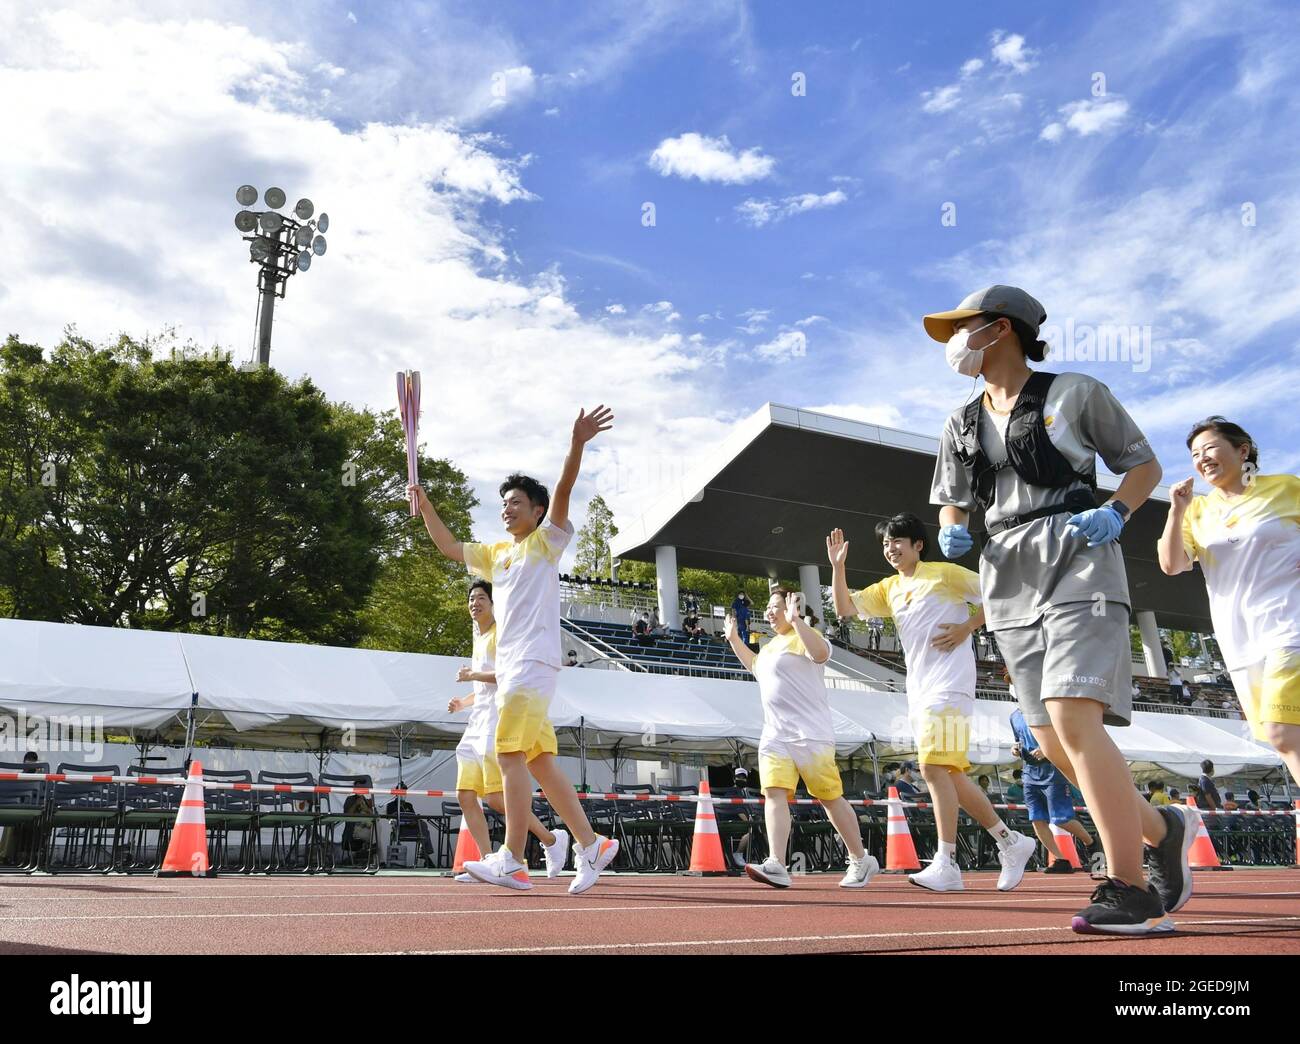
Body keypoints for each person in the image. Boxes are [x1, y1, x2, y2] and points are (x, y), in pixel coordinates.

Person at [926, 284, 1197, 934]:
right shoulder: (960, 422)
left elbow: (1143, 465)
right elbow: (952, 496)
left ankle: (1130, 889)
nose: (957, 343)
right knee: (1048, 739)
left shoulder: (1075, 393)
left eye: (968, 327)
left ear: (1004, 329)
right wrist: (953, 526)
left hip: (1076, 548)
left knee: (1074, 716)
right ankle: (1162, 829)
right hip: (1008, 569)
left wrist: (1117, 511)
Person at [409, 405, 620, 893]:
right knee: (539, 761)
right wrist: (425, 506)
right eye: (504, 503)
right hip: (513, 669)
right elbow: (448, 546)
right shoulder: (496, 553)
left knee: (507, 756)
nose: (507, 508)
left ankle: (512, 858)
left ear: (536, 510)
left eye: (517, 502)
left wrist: (577, 444)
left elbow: (564, 491)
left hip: (532, 663)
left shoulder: (547, 542)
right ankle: (592, 844)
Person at [829, 515, 1037, 892]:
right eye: (885, 545)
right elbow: (844, 608)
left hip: (952, 685)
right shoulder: (890, 588)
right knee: (949, 772)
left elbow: (1001, 591)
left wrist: (967, 627)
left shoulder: (944, 574)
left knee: (931, 767)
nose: (891, 549)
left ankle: (947, 863)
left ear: (918, 545)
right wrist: (838, 567)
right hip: (920, 690)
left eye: (898, 542)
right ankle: (1010, 841)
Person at [1157, 416, 1300, 785]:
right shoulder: (1199, 512)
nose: (1201, 458)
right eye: (1194, 454)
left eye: (1209, 448)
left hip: (1290, 625)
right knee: (1282, 741)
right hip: (1241, 641)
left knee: (1285, 732)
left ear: (1242, 450)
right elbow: (1172, 565)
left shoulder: (1285, 488)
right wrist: (1177, 510)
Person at [724, 588, 880, 890]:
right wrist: (733, 640)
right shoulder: (769, 647)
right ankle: (777, 864)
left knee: (828, 797)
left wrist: (798, 621)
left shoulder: (805, 636)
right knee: (774, 792)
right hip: (775, 733)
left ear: (792, 607)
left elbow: (821, 655)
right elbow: (755, 667)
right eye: (768, 607)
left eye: (776, 607)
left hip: (811, 734)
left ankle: (860, 859)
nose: (770, 612)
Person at [448, 579, 569, 883]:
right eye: (471, 599)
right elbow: (483, 687)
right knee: (465, 795)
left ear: (493, 603)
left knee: (495, 799)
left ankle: (550, 839)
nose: (474, 603)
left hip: (496, 720)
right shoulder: (478, 638)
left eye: (480, 598)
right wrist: (463, 702)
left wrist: (473, 674)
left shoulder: (501, 634)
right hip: (476, 720)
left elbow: (508, 676)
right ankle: (488, 860)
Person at [1010, 706, 1095, 874]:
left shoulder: (1048, 709)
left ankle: (1091, 843)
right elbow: (1017, 740)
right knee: (1037, 819)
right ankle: (1060, 859)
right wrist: (1015, 749)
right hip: (1029, 773)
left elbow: (1066, 736)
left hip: (1053, 771)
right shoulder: (1014, 716)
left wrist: (1048, 749)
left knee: (1061, 819)